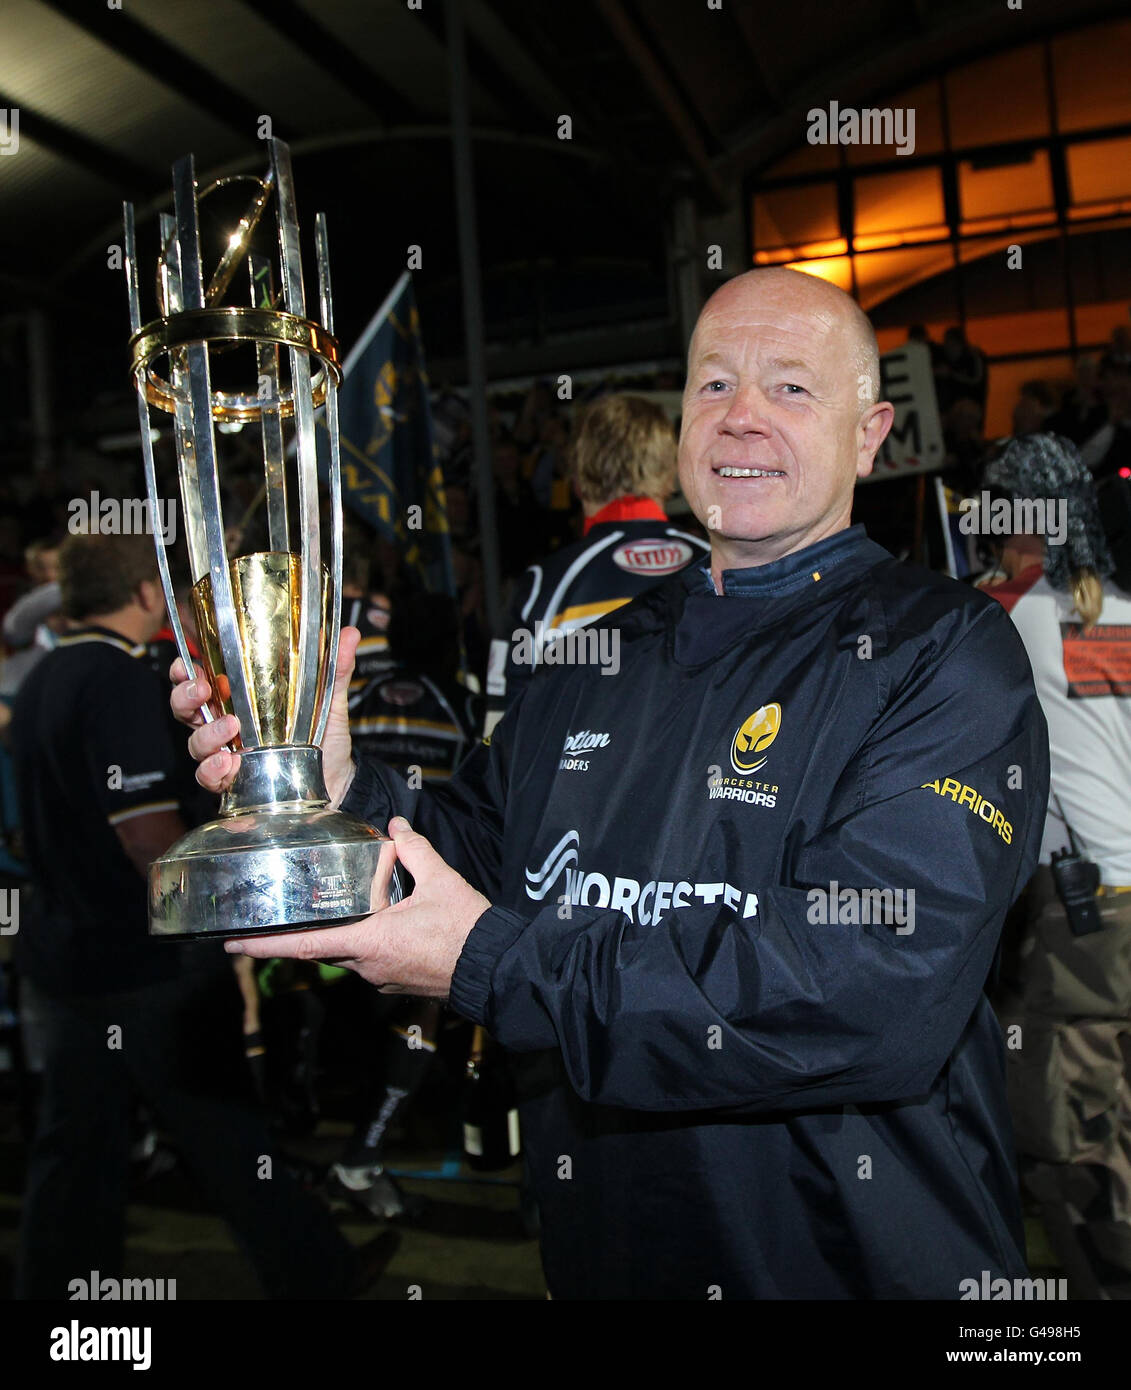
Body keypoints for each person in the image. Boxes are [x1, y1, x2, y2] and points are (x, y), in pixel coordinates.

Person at [175, 267, 1050, 1300]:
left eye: (793, 389)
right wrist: (340, 790)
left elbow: (868, 986)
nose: (743, 418)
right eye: (714, 385)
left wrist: (497, 963)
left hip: (851, 1262)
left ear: (871, 433)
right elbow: (477, 850)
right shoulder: (598, 656)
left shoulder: (943, 653)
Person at [11, 532, 394, 1299]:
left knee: (75, 1152)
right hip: (147, 967)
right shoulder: (115, 679)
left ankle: (56, 1302)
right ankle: (319, 1276)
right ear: (149, 597)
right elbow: (147, 836)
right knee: (227, 1136)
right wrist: (225, 932)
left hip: (64, 959)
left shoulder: (41, 676)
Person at [978, 434, 1131, 1297]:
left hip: (1081, 923)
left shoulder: (1011, 615)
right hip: (1117, 903)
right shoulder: (1117, 609)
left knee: (1058, 1138)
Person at [485, 392, 708, 729]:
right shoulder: (720, 565)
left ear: (577, 478)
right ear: (670, 473)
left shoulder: (545, 587)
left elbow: (499, 737)